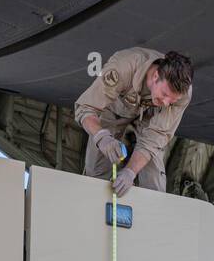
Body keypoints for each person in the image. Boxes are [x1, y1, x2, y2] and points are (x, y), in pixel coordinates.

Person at [73, 48, 193, 197]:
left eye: (172, 100)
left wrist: (130, 171)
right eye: (164, 94)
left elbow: (155, 138)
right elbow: (86, 107)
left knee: (154, 182)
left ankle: (149, 216)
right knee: (96, 173)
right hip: (115, 111)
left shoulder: (183, 95)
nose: (167, 103)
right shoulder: (123, 67)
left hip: (150, 120)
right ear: (155, 76)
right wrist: (102, 137)